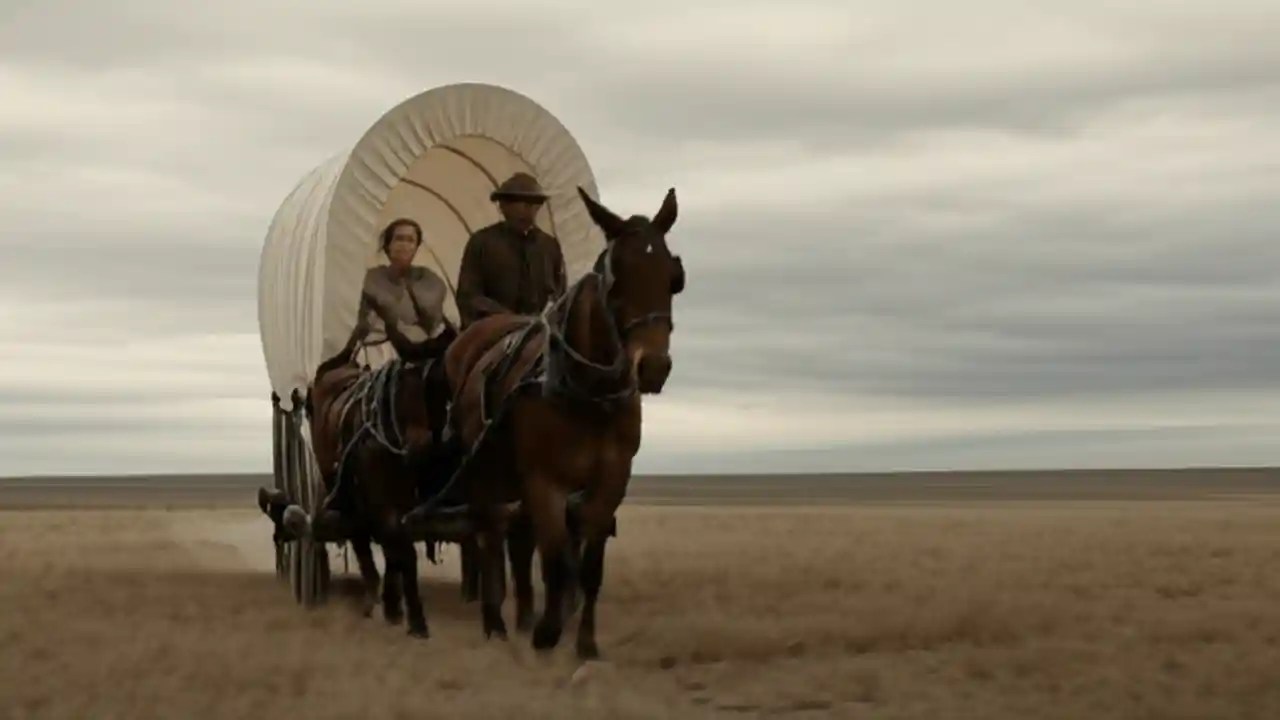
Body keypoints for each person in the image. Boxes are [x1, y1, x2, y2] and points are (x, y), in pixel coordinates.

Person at [456, 172, 567, 328]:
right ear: (503, 206)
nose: (528, 208)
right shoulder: (482, 242)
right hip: (493, 329)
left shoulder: (549, 246)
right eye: (520, 202)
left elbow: (560, 293)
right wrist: (506, 318)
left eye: (535, 203)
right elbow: (469, 296)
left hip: (542, 330)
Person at [351, 217, 456, 361]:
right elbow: (362, 325)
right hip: (381, 350)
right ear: (388, 245)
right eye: (399, 239)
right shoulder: (371, 280)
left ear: (416, 246)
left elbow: (442, 321)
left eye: (410, 240)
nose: (404, 245)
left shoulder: (430, 280)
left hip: (427, 349)